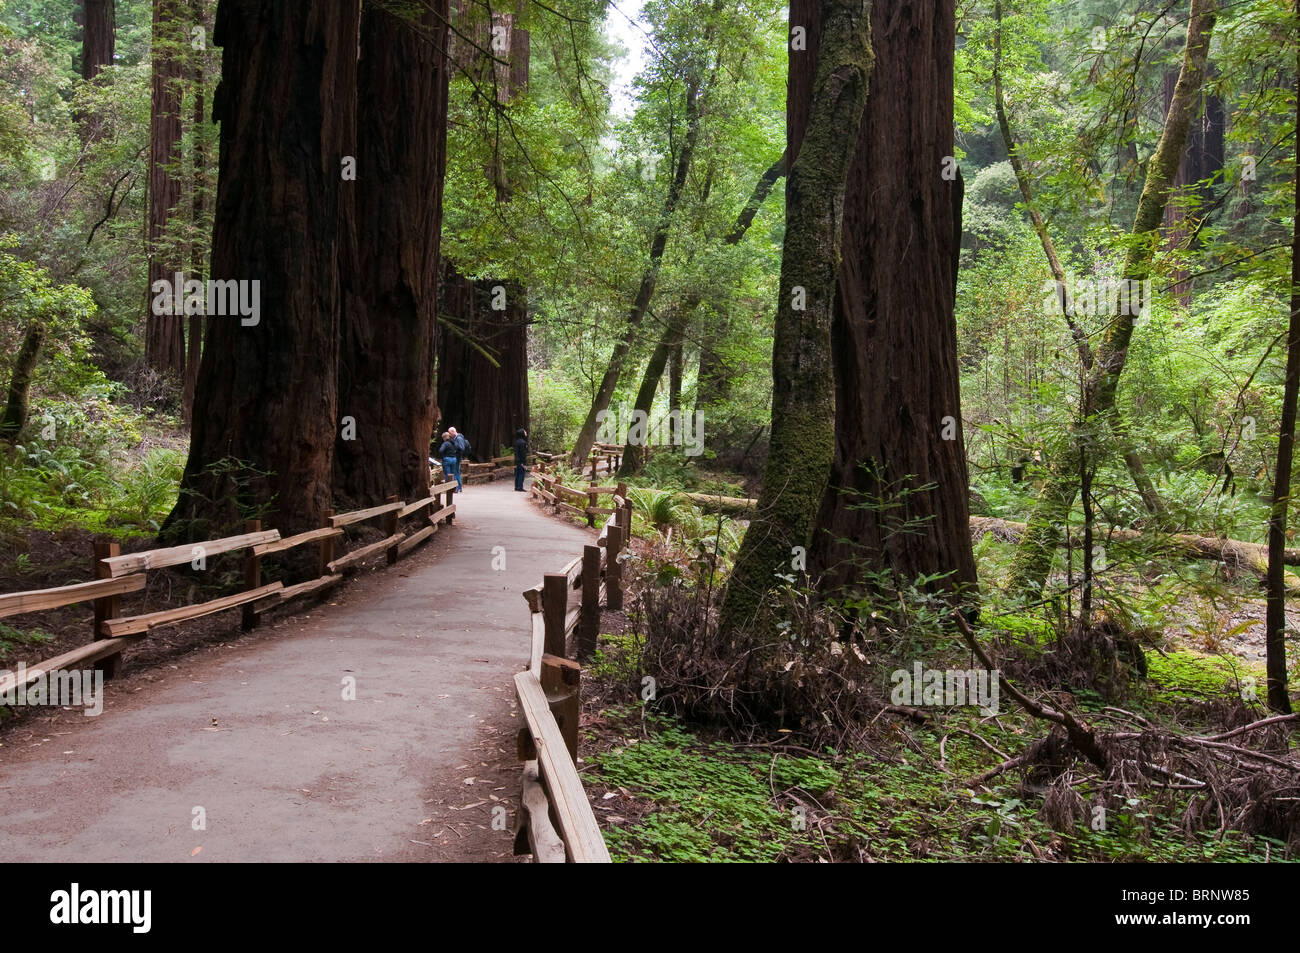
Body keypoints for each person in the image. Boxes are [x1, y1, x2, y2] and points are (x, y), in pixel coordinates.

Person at [448, 426, 470, 492]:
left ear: (453, 432)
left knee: (456, 472)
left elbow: (461, 448)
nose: (449, 435)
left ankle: (457, 487)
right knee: (456, 472)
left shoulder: (459, 438)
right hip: (456, 457)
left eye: (450, 433)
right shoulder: (456, 438)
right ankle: (459, 487)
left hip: (457, 457)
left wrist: (454, 449)